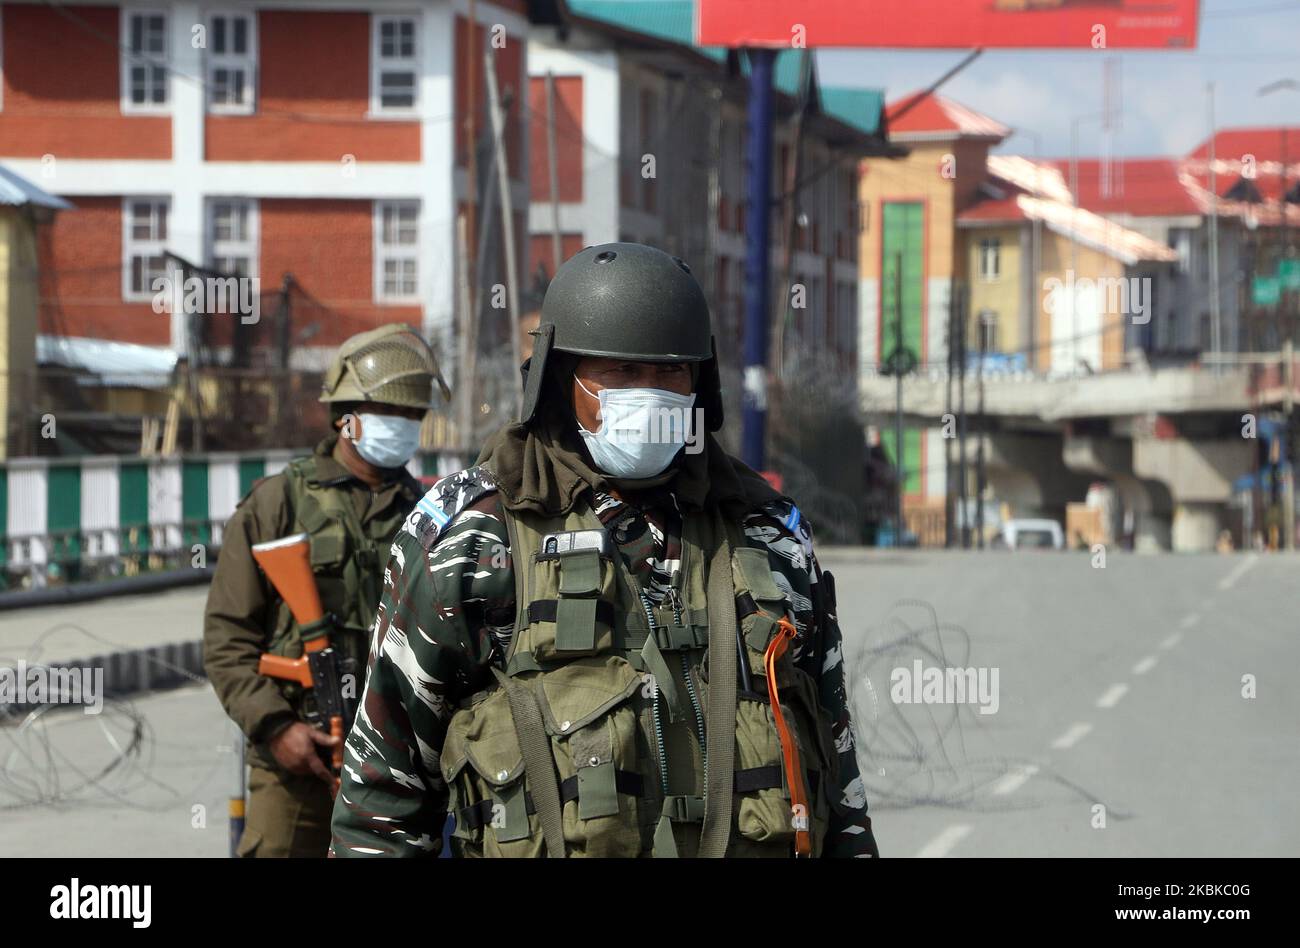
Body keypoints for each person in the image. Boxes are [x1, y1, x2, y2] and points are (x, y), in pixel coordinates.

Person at [331, 244, 878, 857]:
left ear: (701, 381)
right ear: (562, 379)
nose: (650, 395)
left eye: (670, 373)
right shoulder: (471, 535)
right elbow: (383, 804)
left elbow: (838, 781)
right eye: (620, 373)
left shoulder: (768, 532)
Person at [204, 323, 447, 857]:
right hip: (297, 759)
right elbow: (228, 640)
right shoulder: (277, 504)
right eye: (392, 413)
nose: (405, 427)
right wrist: (275, 727)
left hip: (402, 761)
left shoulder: (432, 514)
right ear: (346, 416)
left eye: (414, 416)